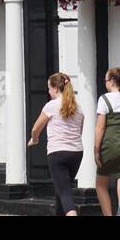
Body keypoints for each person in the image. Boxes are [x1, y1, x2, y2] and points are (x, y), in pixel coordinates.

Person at [28, 73, 85, 217]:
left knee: (65, 192)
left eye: (49, 88)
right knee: (61, 190)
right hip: (76, 153)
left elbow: (36, 128)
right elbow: (80, 131)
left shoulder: (51, 106)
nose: (48, 91)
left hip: (57, 153)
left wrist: (34, 140)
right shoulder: (78, 108)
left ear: (55, 88)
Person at [93, 68, 120, 216]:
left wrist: (96, 150)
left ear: (112, 81)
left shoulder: (104, 99)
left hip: (109, 144)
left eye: (106, 80)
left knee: (100, 184)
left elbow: (100, 127)